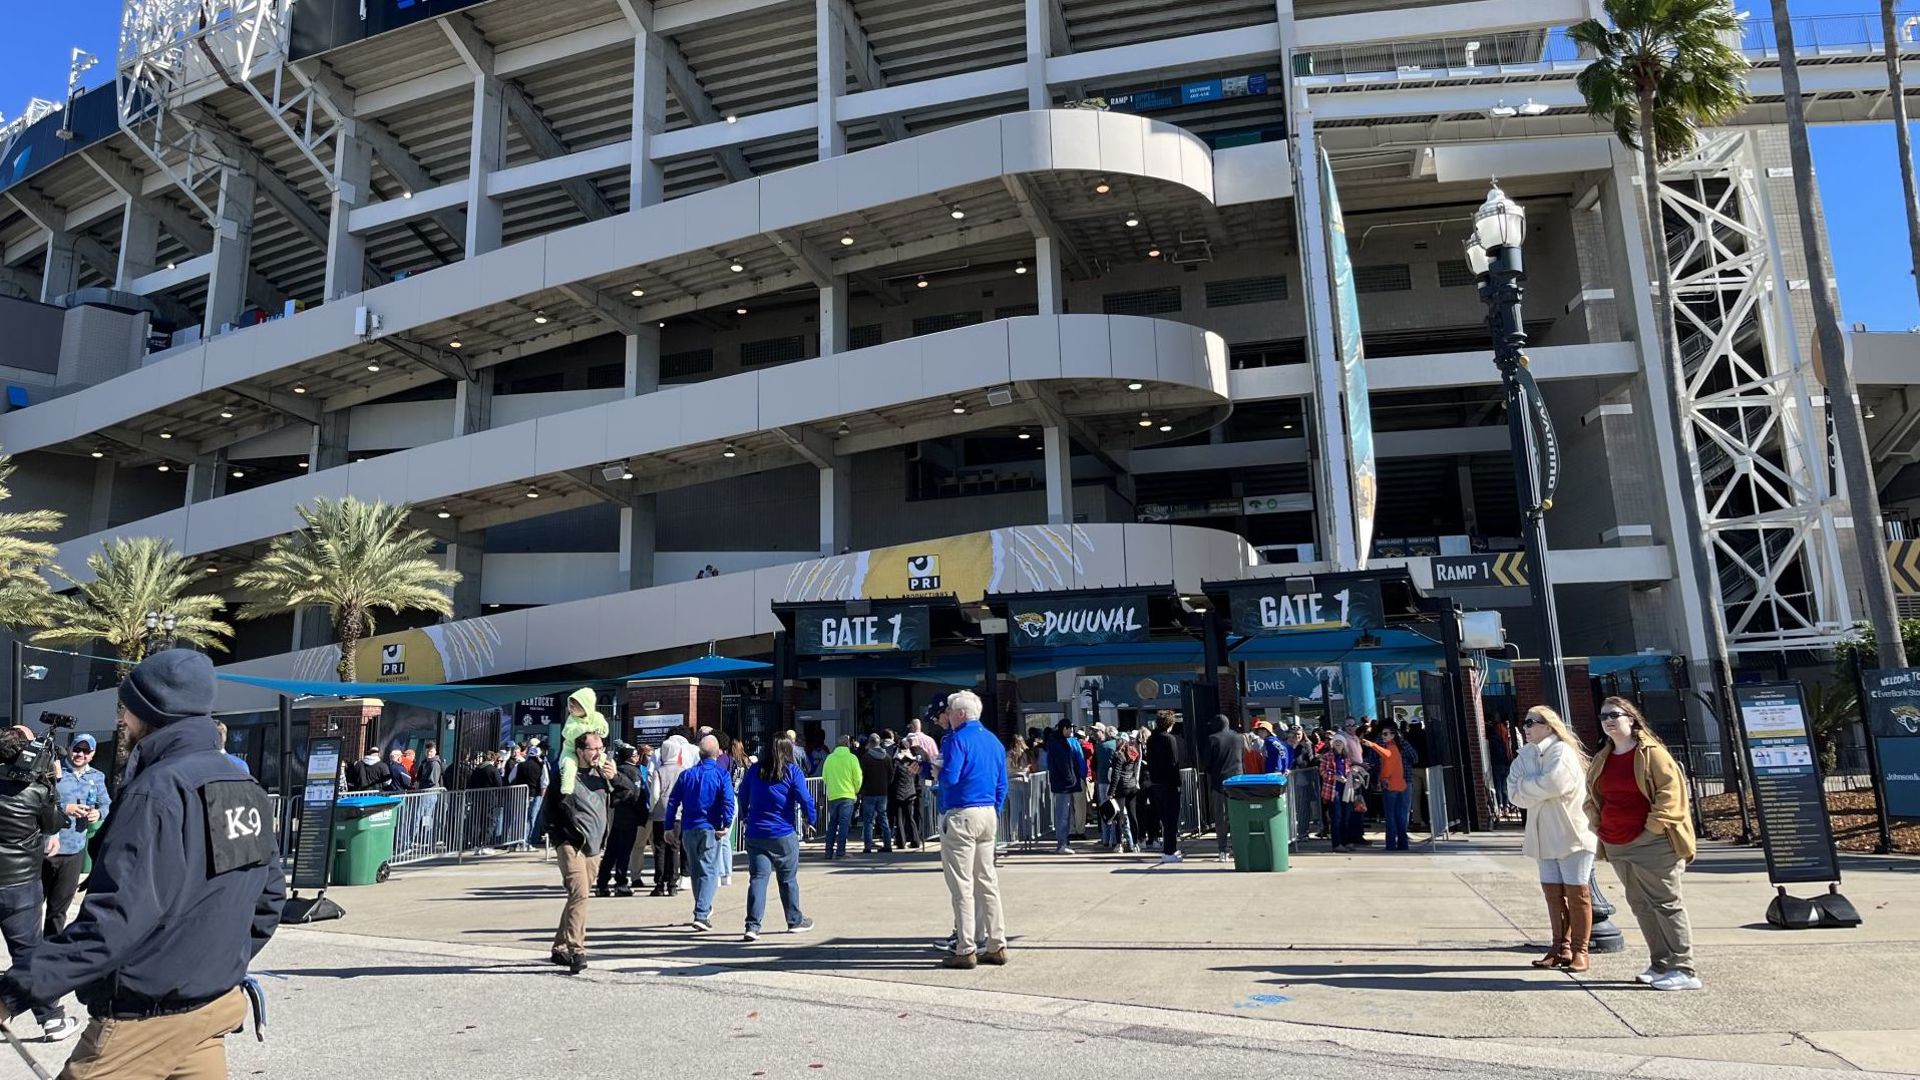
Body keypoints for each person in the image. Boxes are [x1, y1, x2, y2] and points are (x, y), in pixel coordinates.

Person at [2, 650, 284, 1070]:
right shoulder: (246, 786)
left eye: (124, 709)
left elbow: (112, 923)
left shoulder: (156, 792)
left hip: (143, 1019)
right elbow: (269, 900)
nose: (122, 720)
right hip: (214, 1005)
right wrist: (213, 966)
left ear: (149, 711)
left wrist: (12, 992)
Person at [1587, 696, 1701, 991]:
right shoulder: (1603, 756)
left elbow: (1670, 795)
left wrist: (1651, 831)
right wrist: (1598, 825)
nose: (1609, 720)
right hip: (1616, 842)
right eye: (1604, 716)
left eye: (1615, 715)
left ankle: (1684, 969)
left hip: (1652, 844)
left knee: (1666, 903)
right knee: (1640, 905)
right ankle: (1660, 963)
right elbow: (1593, 796)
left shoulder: (1652, 753)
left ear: (1631, 718)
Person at [0, 726, 80, 1041]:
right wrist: (51, 782)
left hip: (17, 884)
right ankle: (52, 1020)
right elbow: (53, 823)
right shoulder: (36, 789)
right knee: (29, 955)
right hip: (19, 886)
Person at [1507, 705, 1599, 972]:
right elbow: (1514, 793)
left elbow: (1554, 784)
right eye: (1524, 723)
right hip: (1541, 835)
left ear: (1548, 726)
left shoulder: (1562, 751)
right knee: (1552, 893)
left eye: (1531, 723)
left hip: (1571, 833)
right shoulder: (1525, 754)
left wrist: (1528, 785)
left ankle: (1581, 950)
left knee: (1577, 892)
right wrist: (1535, 786)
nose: (1525, 728)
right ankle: (1560, 946)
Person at [544, 731, 630, 974]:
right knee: (580, 893)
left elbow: (629, 794)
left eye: (601, 748)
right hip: (572, 844)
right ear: (580, 751)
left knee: (578, 897)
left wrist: (616, 778)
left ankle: (559, 947)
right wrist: (559, 838)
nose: (598, 753)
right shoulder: (565, 775)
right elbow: (549, 811)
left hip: (594, 846)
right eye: (593, 749)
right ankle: (577, 950)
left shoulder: (603, 775)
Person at [934, 691, 1008, 969]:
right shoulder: (993, 741)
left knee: (962, 885)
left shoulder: (957, 739)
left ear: (961, 714)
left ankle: (965, 948)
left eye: (950, 711)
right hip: (988, 812)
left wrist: (936, 771)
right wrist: (994, 808)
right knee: (987, 881)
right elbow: (1002, 784)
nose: (948, 716)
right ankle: (996, 943)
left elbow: (950, 778)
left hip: (962, 813)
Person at [738, 735, 817, 941]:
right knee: (788, 879)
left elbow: (743, 795)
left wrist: (745, 816)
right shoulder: (792, 771)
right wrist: (811, 818)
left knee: (758, 878)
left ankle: (752, 926)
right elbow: (805, 798)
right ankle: (794, 920)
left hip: (756, 832)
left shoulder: (755, 770)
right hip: (783, 832)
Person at [664, 735, 735, 931]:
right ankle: (702, 912)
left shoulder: (687, 775)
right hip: (710, 827)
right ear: (718, 752)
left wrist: (668, 826)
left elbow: (673, 801)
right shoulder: (721, 774)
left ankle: (702, 907)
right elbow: (728, 801)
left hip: (689, 828)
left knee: (696, 871)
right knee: (709, 871)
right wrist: (726, 823)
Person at [45, 734, 110, 938]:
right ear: (70, 748)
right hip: (46, 849)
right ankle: (28, 950)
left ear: (92, 754)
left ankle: (49, 949)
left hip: (74, 851)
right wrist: (66, 808)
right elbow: (40, 801)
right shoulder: (52, 770)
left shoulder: (97, 777)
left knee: (58, 911)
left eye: (86, 751)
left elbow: (106, 804)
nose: (80, 754)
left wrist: (98, 813)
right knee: (32, 907)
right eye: (77, 749)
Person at [596, 744, 648, 898]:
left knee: (611, 851)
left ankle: (602, 883)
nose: (637, 757)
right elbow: (635, 792)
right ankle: (621, 883)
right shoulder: (632, 772)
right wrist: (642, 812)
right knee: (624, 852)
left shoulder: (617, 770)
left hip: (617, 815)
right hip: (629, 815)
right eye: (634, 755)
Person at [1359, 720, 1418, 852]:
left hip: (1388, 782)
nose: (1384, 736)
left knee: (1390, 814)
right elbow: (1415, 758)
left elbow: (1373, 761)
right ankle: (1403, 843)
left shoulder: (1380, 743)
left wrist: (1377, 778)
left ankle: (1391, 844)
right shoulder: (1402, 743)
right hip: (1405, 780)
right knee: (1403, 813)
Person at [647, 734, 692, 896]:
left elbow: (655, 794)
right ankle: (673, 883)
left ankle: (660, 884)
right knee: (674, 848)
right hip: (678, 814)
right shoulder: (684, 771)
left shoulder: (659, 771)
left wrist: (651, 809)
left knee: (660, 848)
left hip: (661, 813)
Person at [1201, 714, 1243, 862]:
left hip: (1219, 781)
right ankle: (1238, 847)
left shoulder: (1212, 739)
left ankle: (1223, 849)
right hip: (1237, 781)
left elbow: (1206, 762)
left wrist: (1210, 770)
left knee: (1220, 817)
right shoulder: (1238, 738)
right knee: (1236, 816)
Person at [555, 688, 610, 798]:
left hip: (591, 749)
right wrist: (586, 728)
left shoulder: (597, 717)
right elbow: (567, 733)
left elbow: (605, 730)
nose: (571, 709)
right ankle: (567, 789)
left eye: (574, 706)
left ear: (585, 706)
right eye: (570, 705)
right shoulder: (572, 718)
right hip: (570, 749)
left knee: (606, 762)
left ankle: (609, 785)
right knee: (569, 764)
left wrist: (600, 730)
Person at [1144, 715, 1183, 863]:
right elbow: (1174, 762)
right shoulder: (1169, 739)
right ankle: (1169, 851)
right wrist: (1178, 783)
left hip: (1156, 783)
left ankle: (1170, 849)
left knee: (1164, 818)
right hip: (1169, 784)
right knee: (1171, 819)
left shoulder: (1151, 739)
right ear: (1170, 724)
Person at [1042, 720, 1085, 854]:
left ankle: (1064, 842)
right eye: (1069, 728)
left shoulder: (1059, 742)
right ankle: (1062, 843)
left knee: (1065, 814)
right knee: (1063, 814)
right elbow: (1064, 764)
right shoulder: (1058, 744)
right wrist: (1072, 779)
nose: (1072, 731)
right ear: (1063, 729)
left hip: (1065, 782)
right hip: (1064, 783)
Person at [820, 734, 860, 860]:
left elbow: (824, 776)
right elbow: (858, 778)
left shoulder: (830, 758)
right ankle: (841, 852)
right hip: (848, 794)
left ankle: (828, 851)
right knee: (844, 824)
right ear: (848, 744)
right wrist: (856, 791)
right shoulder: (852, 758)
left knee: (832, 823)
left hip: (833, 795)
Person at [1104, 724, 1142, 853]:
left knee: (1119, 817)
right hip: (1132, 786)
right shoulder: (1134, 753)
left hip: (1121, 787)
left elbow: (1116, 775)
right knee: (1133, 815)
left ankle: (1119, 844)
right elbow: (1135, 770)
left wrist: (1111, 791)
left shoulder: (1118, 755)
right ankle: (1135, 843)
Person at [858, 730, 895, 854]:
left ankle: (868, 846)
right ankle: (887, 845)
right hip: (882, 792)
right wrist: (886, 784)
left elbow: (862, 775)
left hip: (869, 792)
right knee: (884, 819)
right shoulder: (887, 757)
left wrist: (861, 790)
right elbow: (891, 775)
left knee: (868, 821)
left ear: (870, 743)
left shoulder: (866, 757)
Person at [889, 740, 923, 850]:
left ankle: (901, 841)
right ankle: (915, 840)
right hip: (910, 792)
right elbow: (916, 777)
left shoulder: (896, 761)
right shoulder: (913, 761)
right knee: (910, 817)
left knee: (899, 818)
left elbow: (892, 778)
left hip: (898, 792)